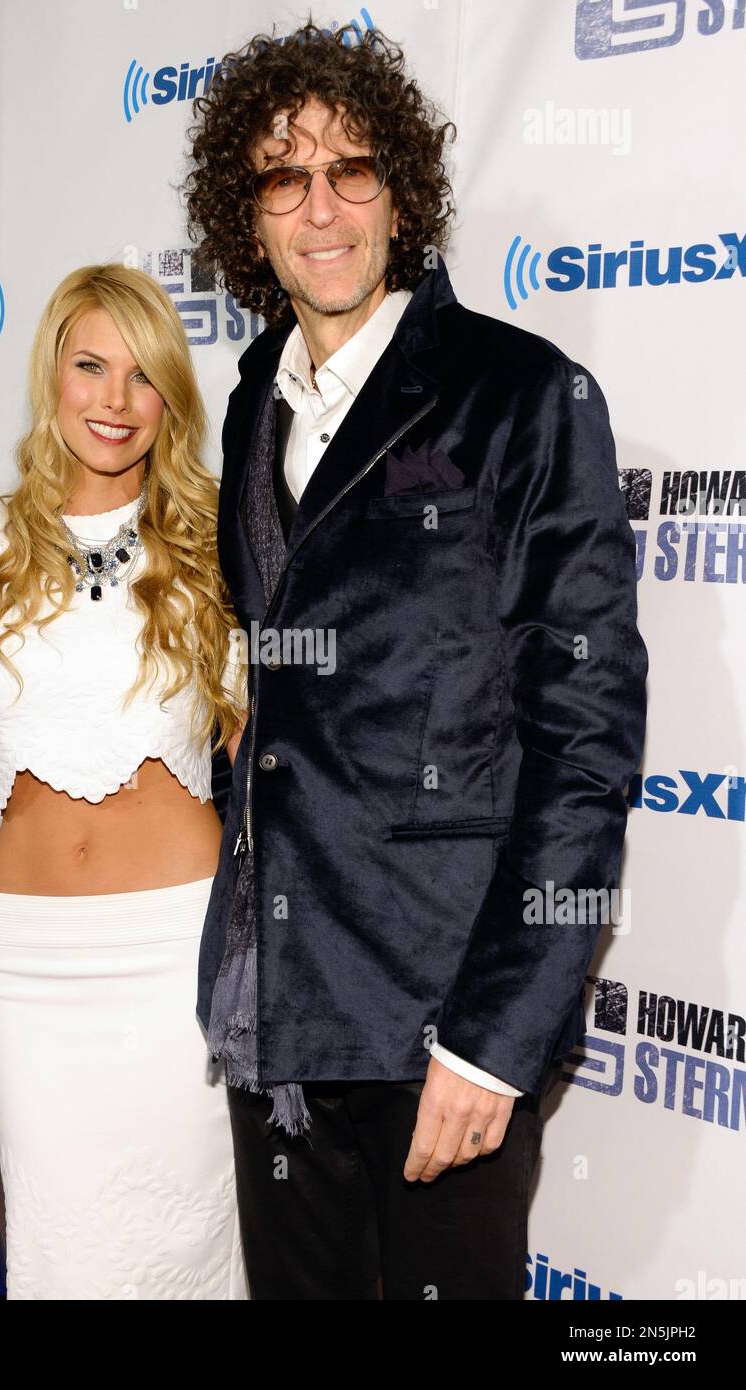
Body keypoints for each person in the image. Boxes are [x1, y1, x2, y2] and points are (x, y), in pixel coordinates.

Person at [183, 21, 648, 1299]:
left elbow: (582, 743)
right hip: (276, 1012)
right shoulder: (247, 404)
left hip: (437, 1029)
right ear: (248, 211)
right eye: (285, 176)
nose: (321, 208)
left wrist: (494, 1043)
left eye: (354, 169)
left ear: (402, 194)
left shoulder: (520, 396)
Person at [0, 263, 249, 1300]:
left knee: (190, 1260)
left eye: (142, 375)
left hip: (178, 970)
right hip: (31, 978)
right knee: (66, 1266)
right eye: (89, 366)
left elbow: (274, 783)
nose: (113, 400)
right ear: (49, 378)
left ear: (170, 398)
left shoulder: (214, 559)